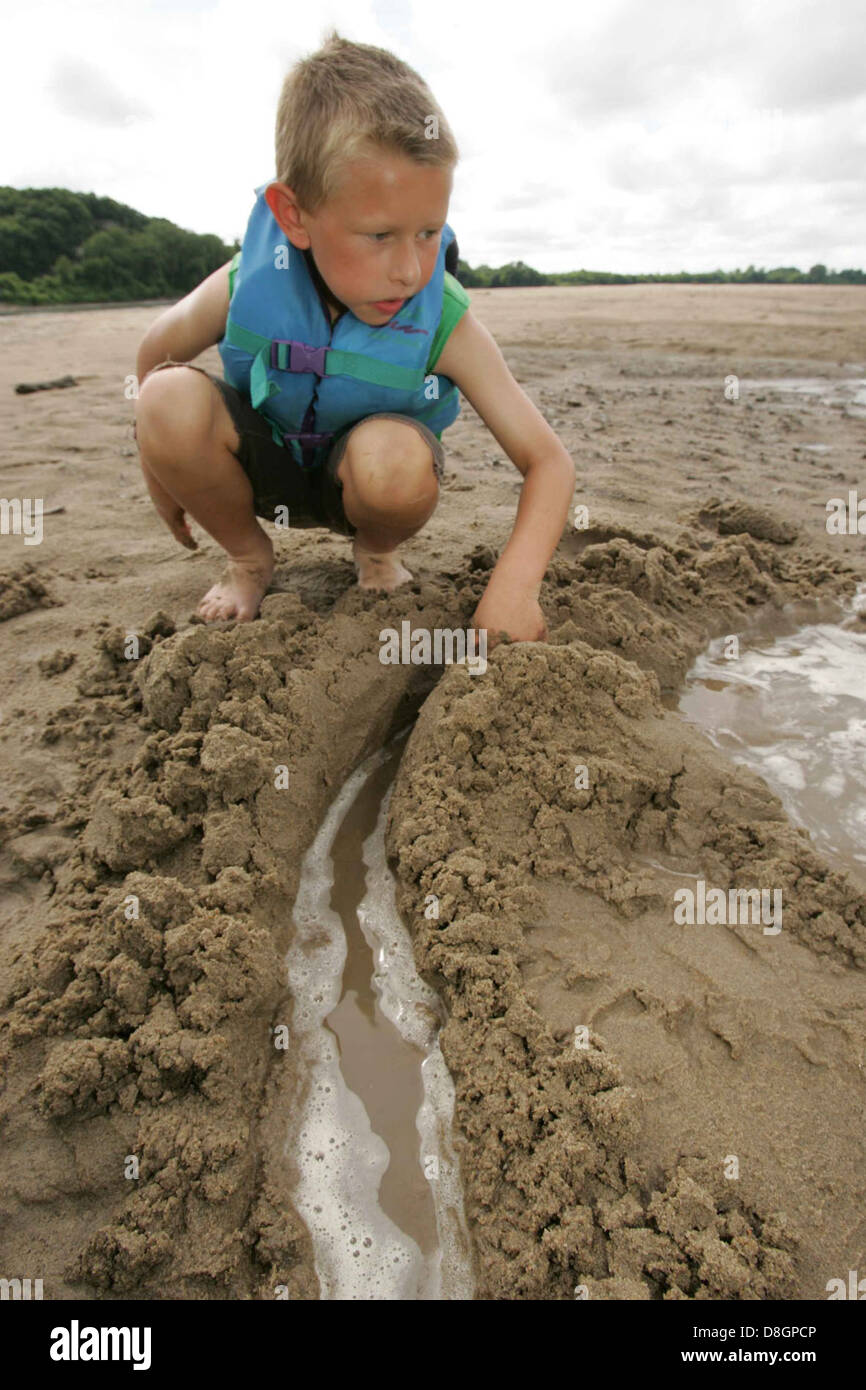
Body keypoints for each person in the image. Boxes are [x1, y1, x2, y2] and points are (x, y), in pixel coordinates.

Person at [133, 30, 575, 646]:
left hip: (372, 487)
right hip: (266, 472)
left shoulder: (442, 318)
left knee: (391, 463)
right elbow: (154, 355)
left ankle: (375, 555)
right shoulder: (251, 281)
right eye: (379, 236)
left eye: (428, 233)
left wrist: (515, 586)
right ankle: (249, 560)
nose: (411, 270)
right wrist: (163, 480)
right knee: (164, 399)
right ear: (294, 216)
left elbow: (547, 460)